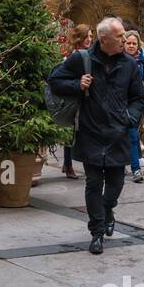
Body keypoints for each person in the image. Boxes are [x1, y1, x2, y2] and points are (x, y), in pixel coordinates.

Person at [49, 16, 144, 254]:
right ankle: (97, 233)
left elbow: (138, 98)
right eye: (120, 36)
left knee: (116, 182)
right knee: (93, 183)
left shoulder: (130, 64)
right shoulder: (82, 59)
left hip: (118, 134)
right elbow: (54, 80)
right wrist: (77, 85)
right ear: (104, 40)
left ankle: (107, 208)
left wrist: (130, 119)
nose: (125, 39)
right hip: (91, 132)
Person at [122, 30, 144, 183]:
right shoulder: (118, 60)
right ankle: (124, 164)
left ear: (138, 46)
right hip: (119, 102)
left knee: (131, 133)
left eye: (134, 43)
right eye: (128, 43)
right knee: (125, 134)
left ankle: (136, 169)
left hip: (137, 104)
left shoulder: (142, 61)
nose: (131, 46)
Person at [60, 23, 94, 179]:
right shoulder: (72, 56)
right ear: (80, 38)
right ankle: (68, 164)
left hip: (86, 99)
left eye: (91, 36)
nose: (90, 39)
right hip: (74, 99)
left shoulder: (90, 54)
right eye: (87, 36)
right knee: (71, 132)